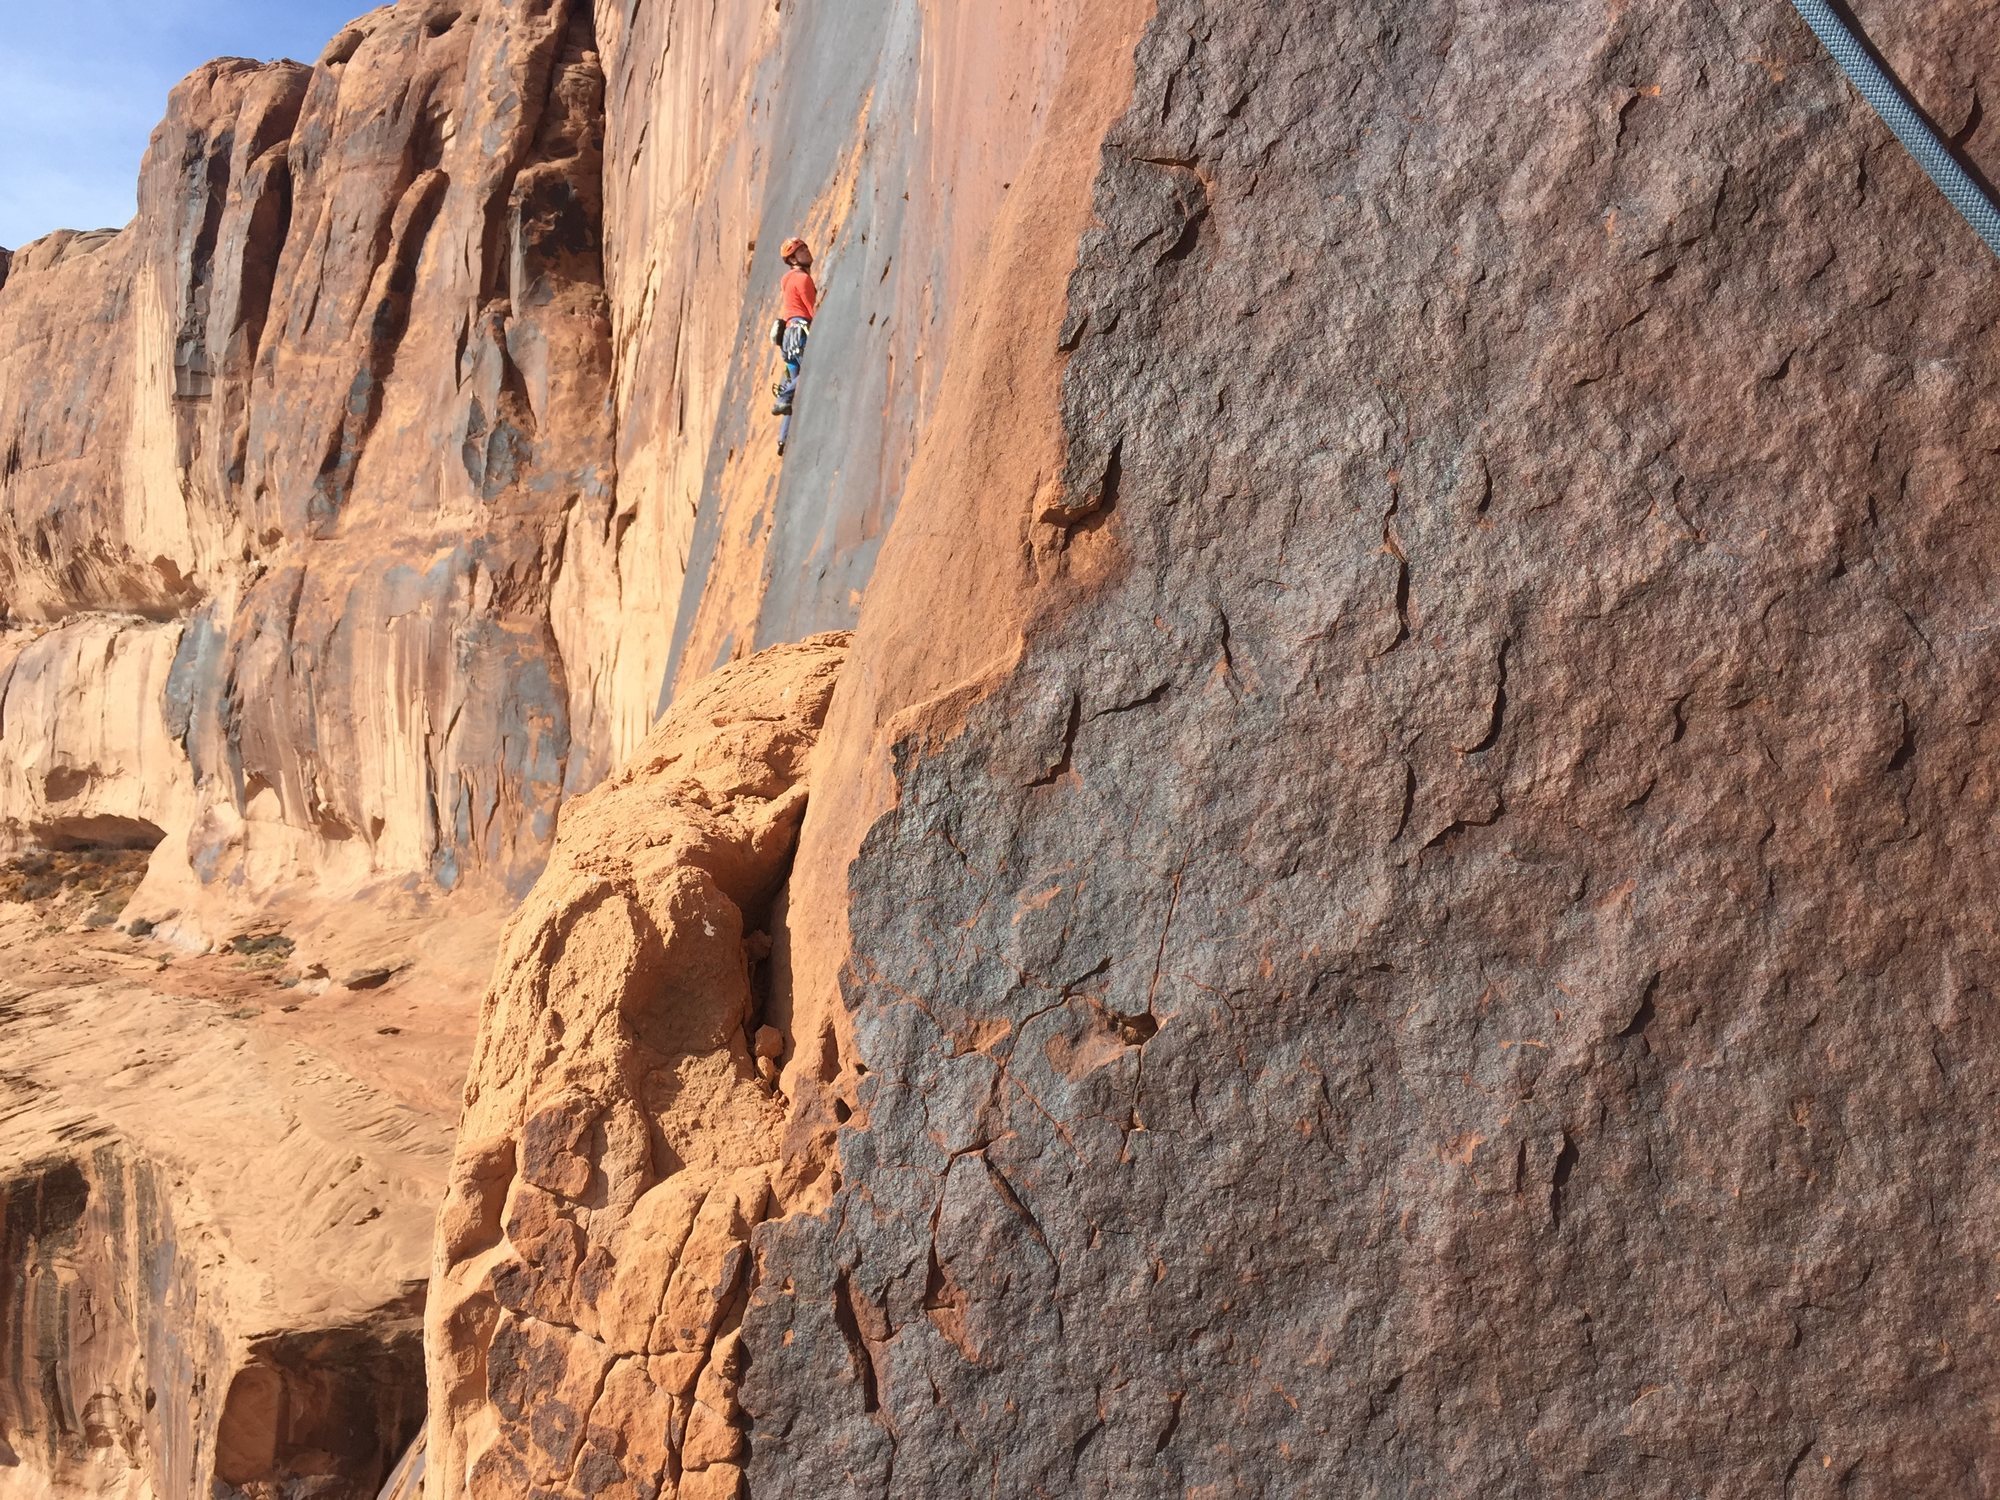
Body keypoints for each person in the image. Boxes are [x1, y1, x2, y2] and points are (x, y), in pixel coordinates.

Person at [770, 238, 817, 416]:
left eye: (806, 247)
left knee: (793, 383)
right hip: (800, 333)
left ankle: (783, 439)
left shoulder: (787, 279)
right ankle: (781, 399)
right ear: (793, 260)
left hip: (788, 336)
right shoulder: (802, 279)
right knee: (809, 370)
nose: (807, 251)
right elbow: (812, 309)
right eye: (801, 250)